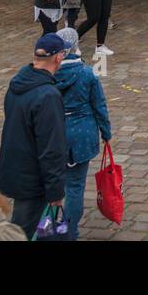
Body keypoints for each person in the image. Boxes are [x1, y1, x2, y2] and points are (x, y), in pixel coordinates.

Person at [0, 33, 68, 238]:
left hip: (15, 169)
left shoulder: (17, 83)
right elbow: (52, 148)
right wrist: (56, 192)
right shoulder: (48, 96)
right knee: (24, 231)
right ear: (59, 57)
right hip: (33, 180)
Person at [52, 27, 111, 239]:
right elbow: (99, 105)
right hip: (82, 134)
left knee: (52, 185)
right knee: (75, 187)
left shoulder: (49, 73)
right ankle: (70, 231)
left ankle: (50, 228)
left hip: (54, 134)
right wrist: (106, 132)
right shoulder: (87, 73)